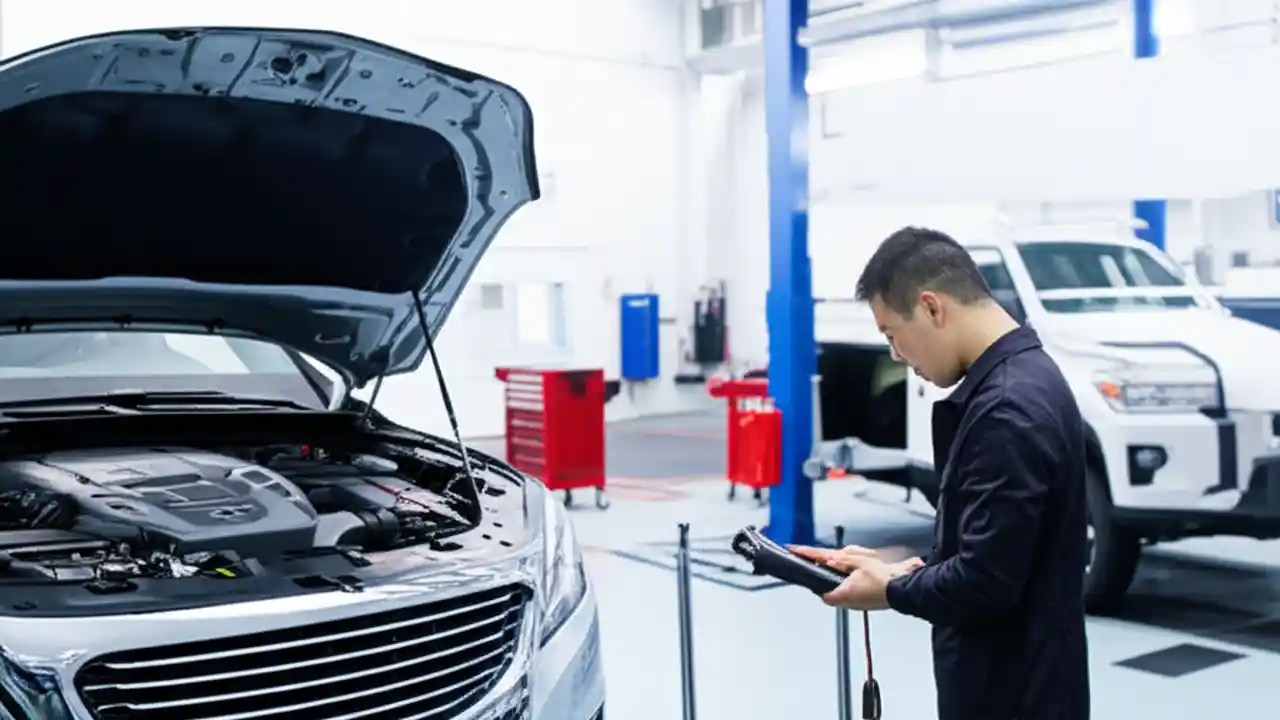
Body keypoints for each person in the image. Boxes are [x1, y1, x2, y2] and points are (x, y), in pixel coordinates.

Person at [792, 226, 1090, 720]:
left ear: (932, 308)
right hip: (1033, 682)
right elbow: (997, 549)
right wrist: (900, 569)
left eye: (892, 335)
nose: (896, 356)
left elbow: (984, 580)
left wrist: (888, 590)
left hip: (1012, 698)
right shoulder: (1029, 377)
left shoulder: (1005, 411)